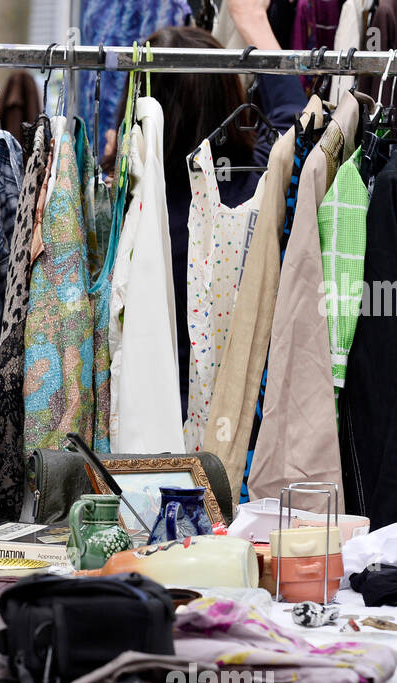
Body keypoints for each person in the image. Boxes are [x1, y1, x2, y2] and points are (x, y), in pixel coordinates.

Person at [103, 6, 307, 419]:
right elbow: (296, 123)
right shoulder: (253, 188)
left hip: (137, 425)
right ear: (228, 99)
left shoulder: (116, 205)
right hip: (235, 425)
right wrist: (253, 24)